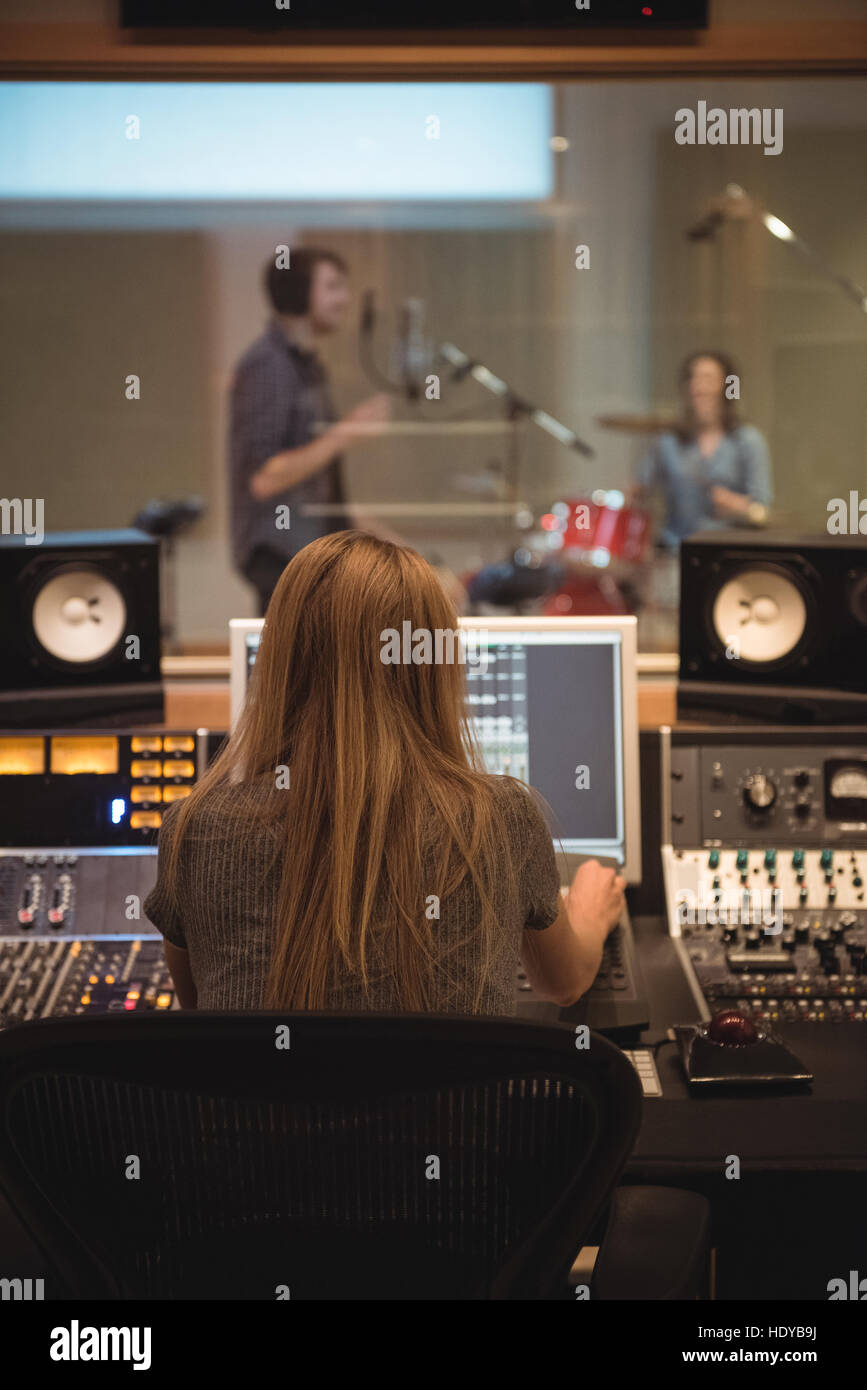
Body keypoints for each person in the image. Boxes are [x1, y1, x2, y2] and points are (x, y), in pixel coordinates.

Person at [144, 532, 624, 1014]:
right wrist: (588, 914)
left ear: (278, 660)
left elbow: (199, 1016)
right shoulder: (503, 820)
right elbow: (564, 985)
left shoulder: (196, 830)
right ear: (433, 668)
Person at [229, 247, 392, 614]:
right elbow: (264, 478)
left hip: (306, 548)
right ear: (300, 293)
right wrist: (346, 432)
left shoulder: (302, 365)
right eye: (332, 287)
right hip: (280, 553)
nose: (344, 298)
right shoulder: (269, 365)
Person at [633, 350, 773, 550]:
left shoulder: (748, 441)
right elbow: (641, 492)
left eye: (707, 379)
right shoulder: (668, 442)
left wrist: (739, 507)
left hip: (728, 553)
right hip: (676, 551)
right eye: (693, 379)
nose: (698, 387)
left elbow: (763, 510)